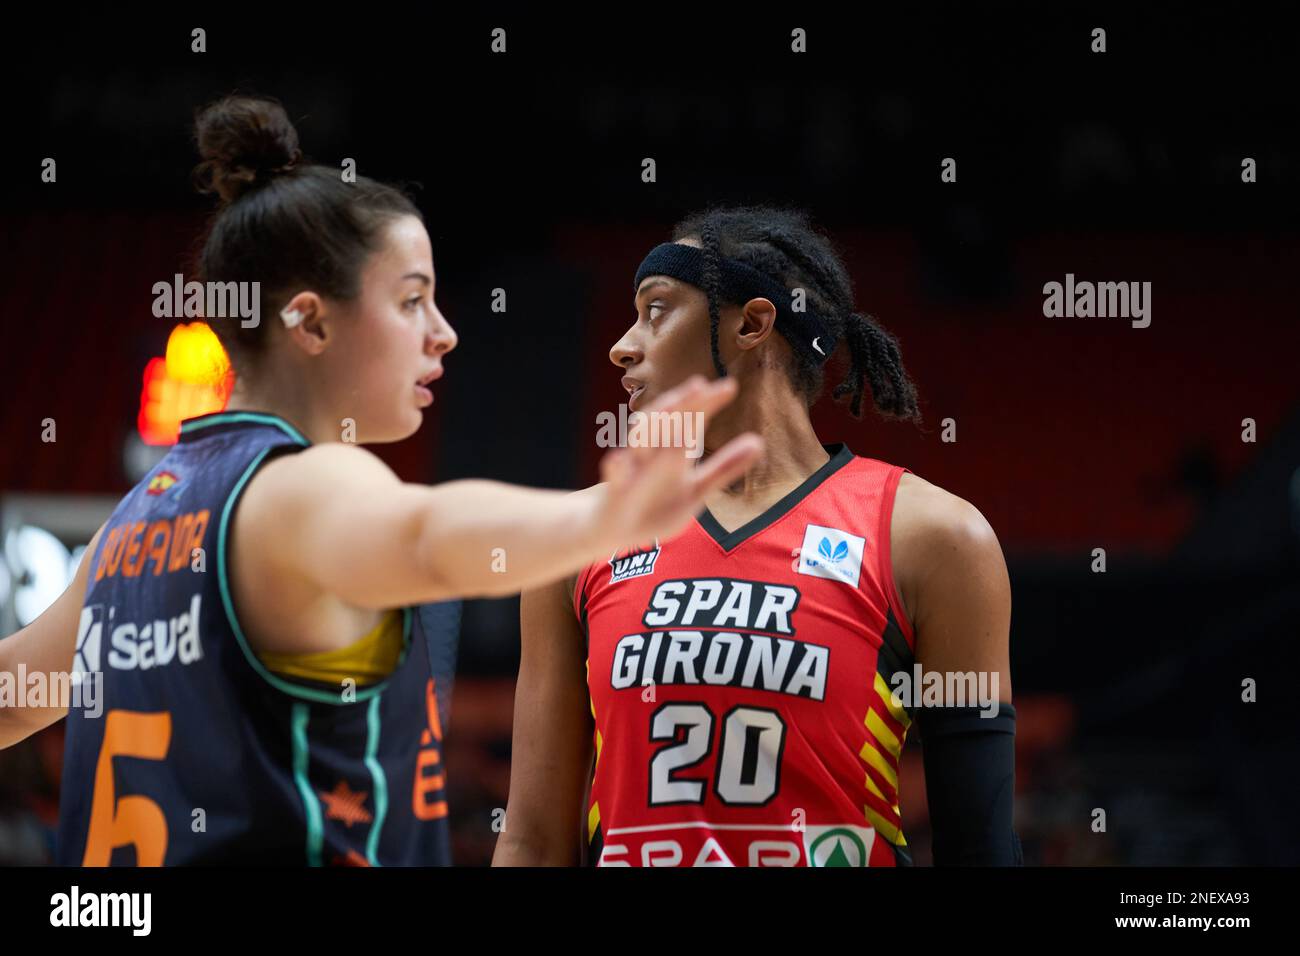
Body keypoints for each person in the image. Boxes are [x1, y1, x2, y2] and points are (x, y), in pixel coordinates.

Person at [0, 96, 762, 866]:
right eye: (410, 299)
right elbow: (429, 535)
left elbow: (10, 700)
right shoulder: (308, 485)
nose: (444, 330)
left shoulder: (128, 527)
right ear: (313, 323)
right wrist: (603, 521)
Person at [495, 206, 1021, 866]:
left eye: (656, 310)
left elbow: (981, 847)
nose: (623, 345)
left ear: (751, 323)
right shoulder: (577, 538)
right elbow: (531, 841)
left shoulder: (936, 537)